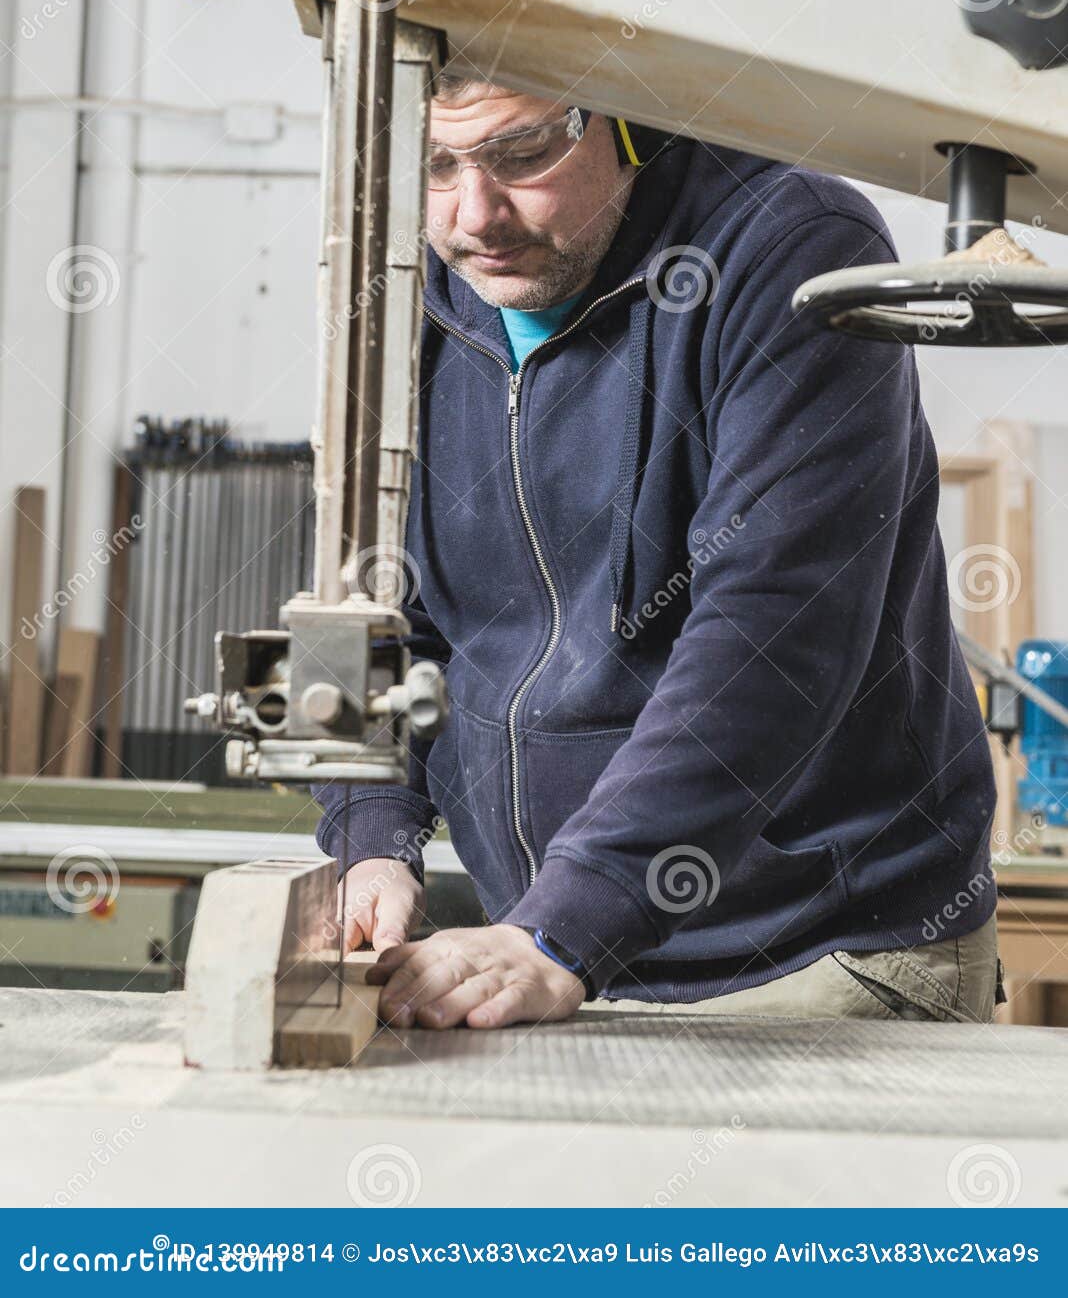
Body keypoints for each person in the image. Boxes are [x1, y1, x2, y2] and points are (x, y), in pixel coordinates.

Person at [312, 71, 1000, 1031]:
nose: (476, 214)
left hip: (806, 953)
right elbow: (379, 602)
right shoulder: (406, 286)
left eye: (521, 154)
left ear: (627, 119)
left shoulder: (791, 248)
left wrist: (565, 928)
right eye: (432, 165)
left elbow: (772, 639)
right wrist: (370, 835)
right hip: (554, 943)